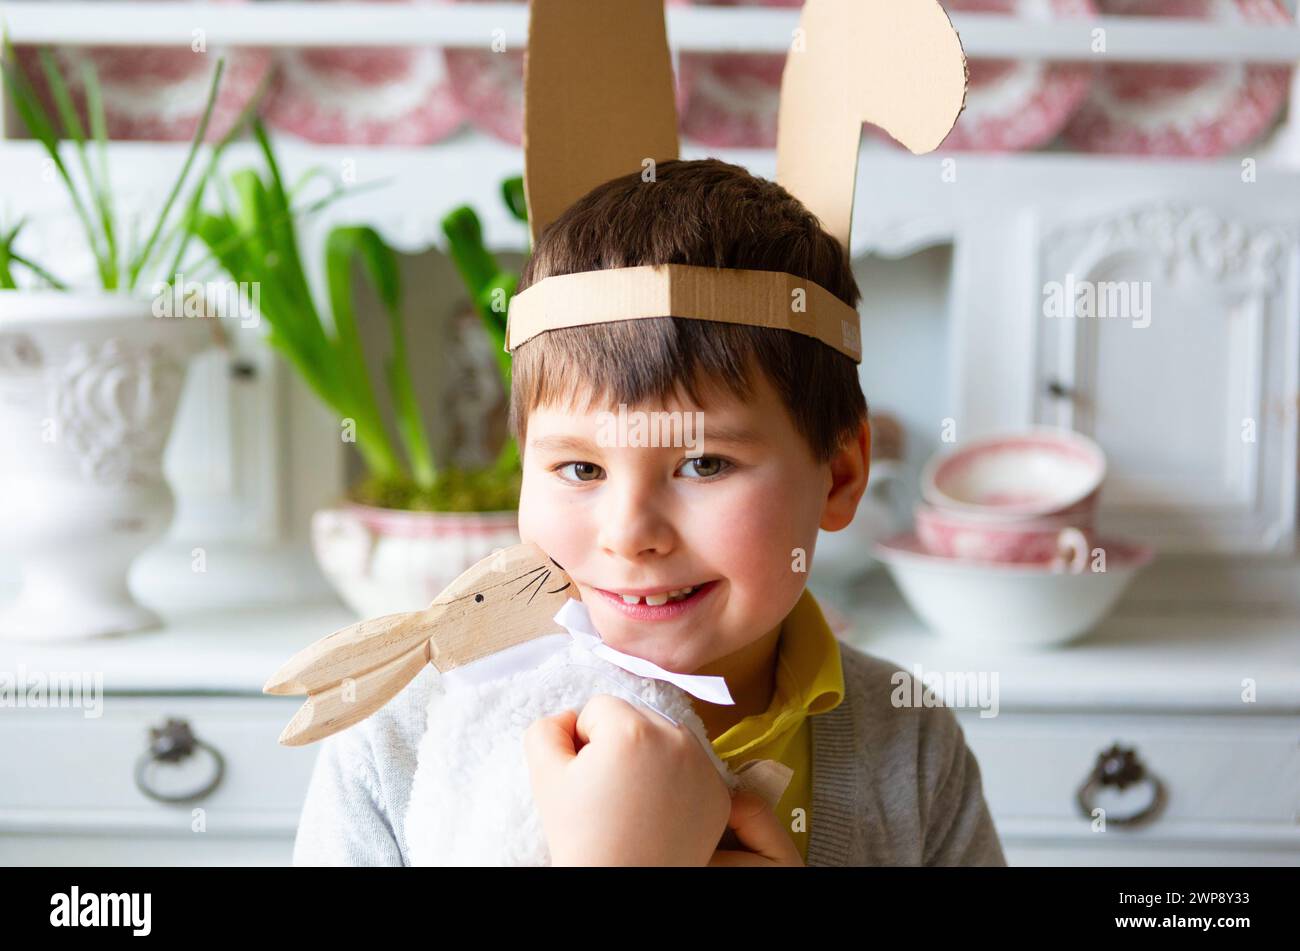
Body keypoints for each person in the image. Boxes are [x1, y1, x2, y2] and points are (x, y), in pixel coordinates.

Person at [292, 158, 1007, 866]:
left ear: (841, 475)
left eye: (703, 464)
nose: (629, 534)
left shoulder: (910, 746)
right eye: (580, 468)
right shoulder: (397, 741)